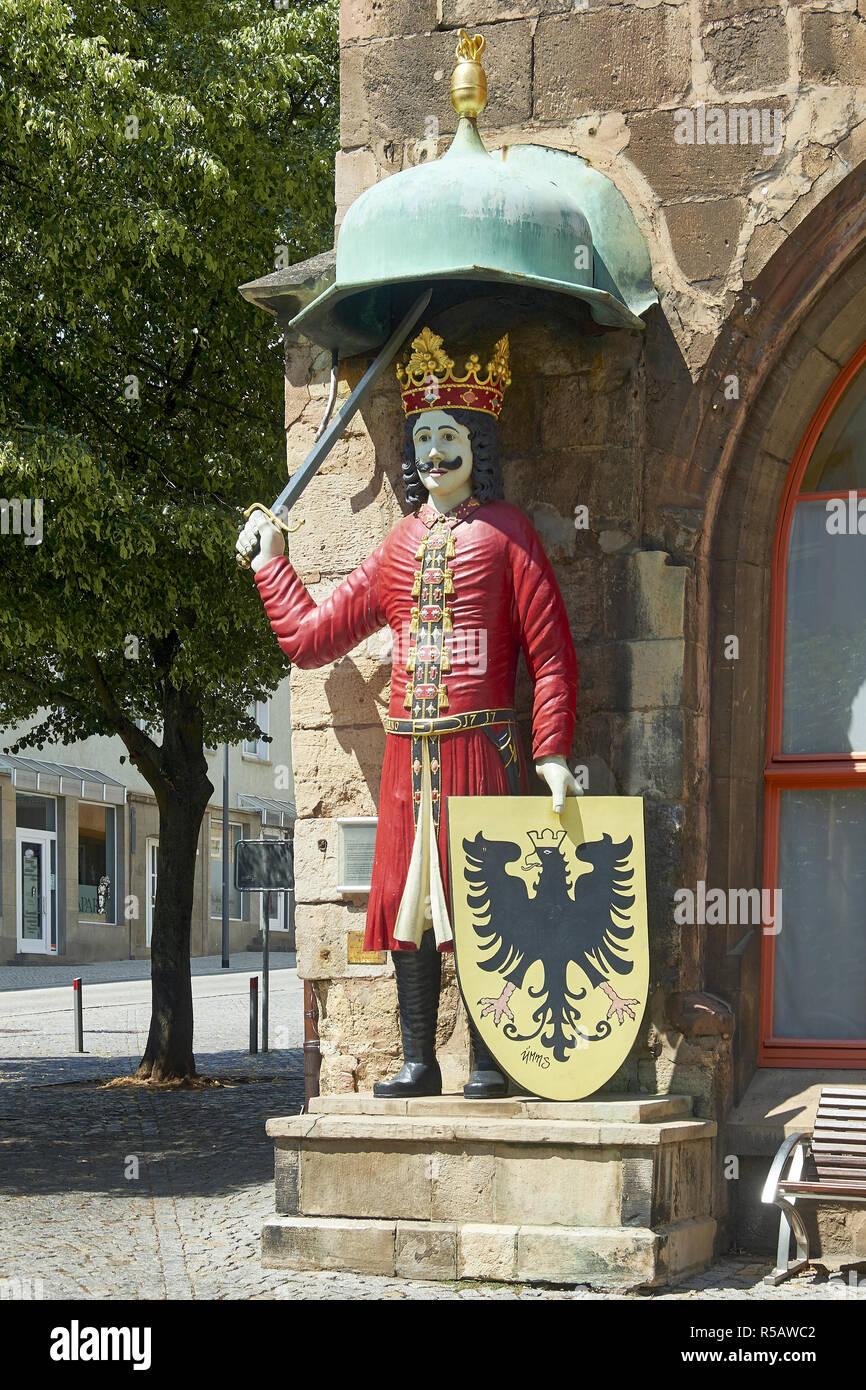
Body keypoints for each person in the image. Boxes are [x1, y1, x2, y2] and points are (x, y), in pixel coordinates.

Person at [236, 327, 580, 1098]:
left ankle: (492, 1060)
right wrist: (270, 562)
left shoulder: (509, 534)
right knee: (410, 906)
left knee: (486, 901)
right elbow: (310, 637)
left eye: (447, 436)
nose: (432, 452)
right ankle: (419, 1059)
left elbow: (552, 655)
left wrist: (553, 750)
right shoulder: (396, 546)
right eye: (421, 437)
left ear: (476, 444)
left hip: (483, 751)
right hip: (407, 759)